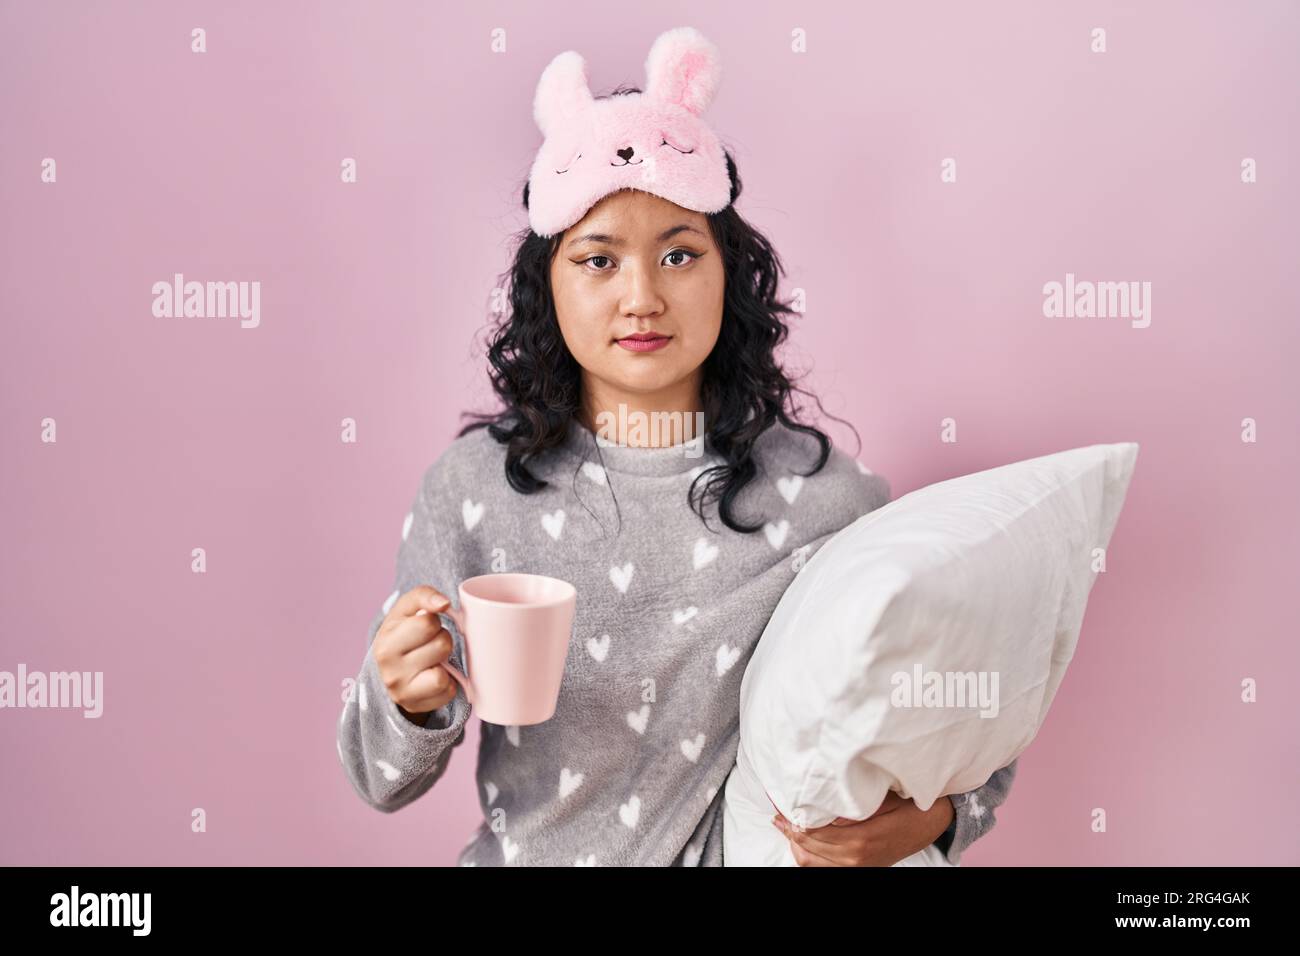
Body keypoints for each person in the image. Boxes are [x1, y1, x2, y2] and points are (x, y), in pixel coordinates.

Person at [336, 26, 1015, 866]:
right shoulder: (472, 491)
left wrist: (940, 821)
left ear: (730, 276)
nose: (642, 296)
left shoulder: (825, 501)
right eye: (598, 260)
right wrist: (402, 698)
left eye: (680, 254)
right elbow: (380, 778)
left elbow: (968, 711)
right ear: (545, 286)